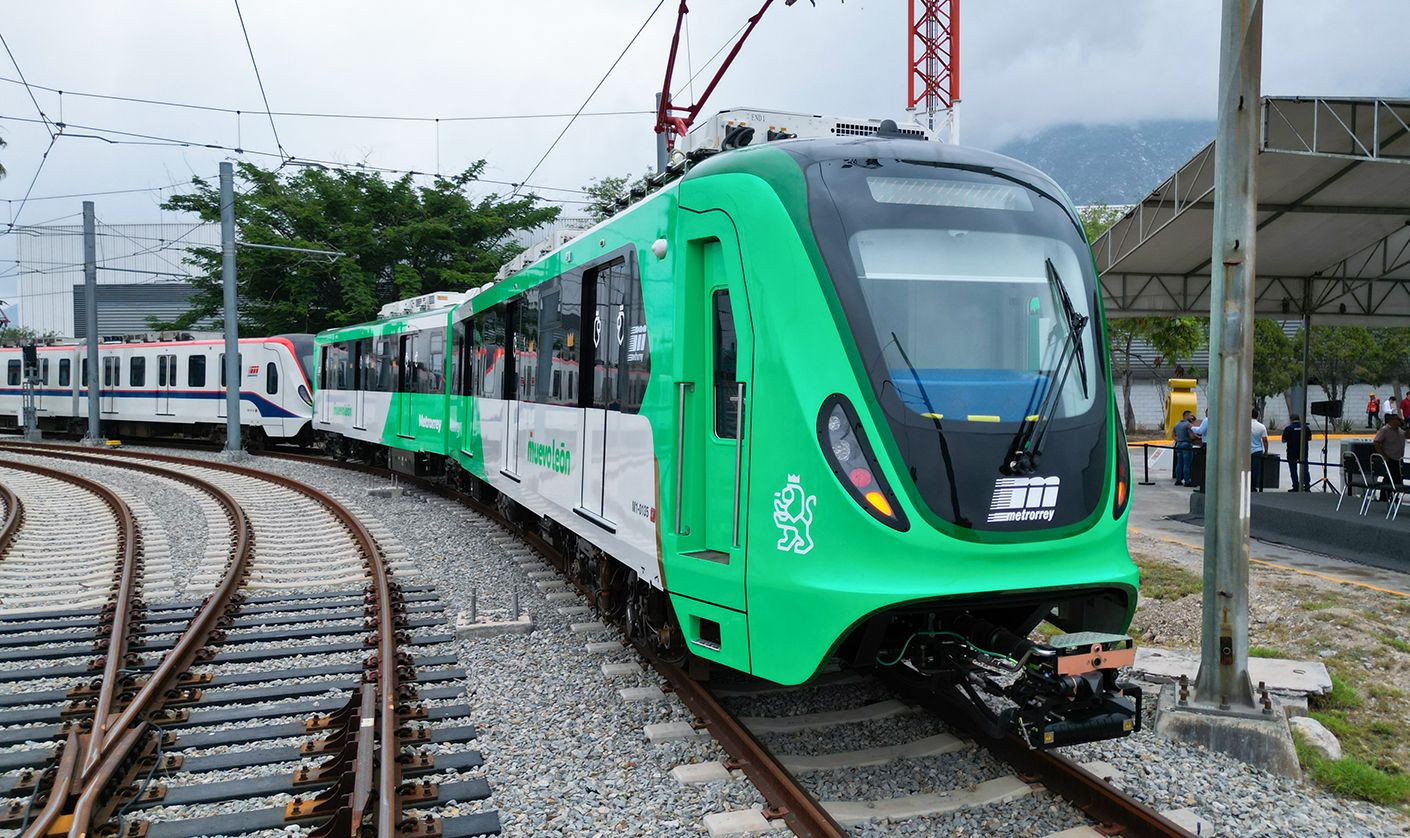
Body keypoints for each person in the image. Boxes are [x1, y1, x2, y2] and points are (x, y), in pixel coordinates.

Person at [1372, 414, 1405, 500]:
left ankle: (1394, 497)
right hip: (1389, 458)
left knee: (1397, 480)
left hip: (1399, 459)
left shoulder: (1401, 431)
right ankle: (1384, 497)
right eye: (1398, 420)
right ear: (1393, 420)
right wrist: (1384, 455)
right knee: (1388, 479)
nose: (1399, 421)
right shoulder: (1385, 430)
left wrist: (1405, 426)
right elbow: (1376, 442)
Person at [1281, 414, 1310, 492]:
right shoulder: (1305, 428)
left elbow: (1283, 440)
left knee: (1293, 469)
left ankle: (1296, 486)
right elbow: (1309, 438)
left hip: (1291, 452)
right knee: (1305, 468)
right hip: (1303, 451)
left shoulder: (1288, 428)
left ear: (1291, 419)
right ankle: (1307, 486)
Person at [1172, 410, 1195, 487]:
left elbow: (1173, 436)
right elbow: (1192, 436)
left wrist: (1178, 439)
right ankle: (1187, 480)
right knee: (1186, 464)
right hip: (1186, 444)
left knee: (1179, 463)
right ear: (1186, 415)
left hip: (1178, 444)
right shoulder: (1188, 425)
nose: (1192, 417)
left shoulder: (1177, 424)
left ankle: (1178, 480)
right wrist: (1196, 437)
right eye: (1191, 415)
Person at [1250, 408, 1269, 492]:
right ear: (1257, 416)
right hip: (1257, 450)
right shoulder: (1261, 427)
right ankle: (1252, 486)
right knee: (1255, 470)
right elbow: (1265, 440)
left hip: (1245, 451)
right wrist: (1266, 450)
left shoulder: (1244, 425)